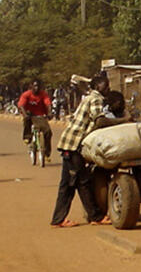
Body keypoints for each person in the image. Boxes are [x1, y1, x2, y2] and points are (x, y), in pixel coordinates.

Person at [50, 74, 130, 228]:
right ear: (97, 86)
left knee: (81, 182)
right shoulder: (96, 99)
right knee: (71, 184)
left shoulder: (90, 98)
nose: (108, 88)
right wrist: (123, 121)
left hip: (71, 144)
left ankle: (94, 216)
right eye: (105, 85)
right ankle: (61, 219)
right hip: (74, 144)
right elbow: (101, 121)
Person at [18, 79, 53, 161]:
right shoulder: (26, 94)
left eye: (38, 86)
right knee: (26, 121)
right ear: (31, 86)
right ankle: (27, 137)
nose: (37, 88)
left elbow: (48, 104)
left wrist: (49, 113)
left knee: (48, 132)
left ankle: (47, 153)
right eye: (35, 86)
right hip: (29, 115)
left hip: (40, 116)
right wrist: (25, 114)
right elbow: (21, 105)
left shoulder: (43, 94)